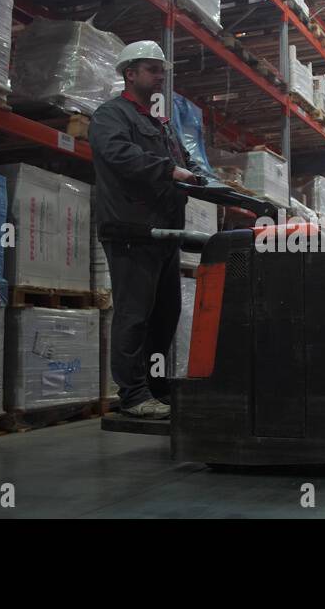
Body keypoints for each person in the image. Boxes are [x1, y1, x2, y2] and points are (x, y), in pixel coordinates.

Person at [88, 41, 199, 419]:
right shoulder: (111, 116)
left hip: (164, 233)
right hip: (131, 231)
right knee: (134, 314)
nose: (160, 75)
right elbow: (119, 154)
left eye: (161, 69)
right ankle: (132, 394)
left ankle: (155, 385)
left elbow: (180, 166)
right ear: (129, 73)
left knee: (165, 313)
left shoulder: (158, 124)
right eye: (152, 69)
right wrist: (169, 171)